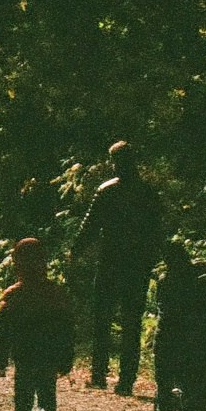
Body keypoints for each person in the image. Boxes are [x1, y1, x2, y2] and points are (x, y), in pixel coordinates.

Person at [75, 139, 167, 393]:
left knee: (102, 318)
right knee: (132, 322)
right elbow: (158, 231)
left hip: (110, 261)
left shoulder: (107, 191)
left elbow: (90, 226)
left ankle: (99, 374)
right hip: (137, 264)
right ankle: (126, 380)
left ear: (116, 162)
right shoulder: (147, 193)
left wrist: (76, 250)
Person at [0, 236, 75, 411]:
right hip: (47, 357)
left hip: (25, 358)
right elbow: (67, 329)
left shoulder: (13, 296)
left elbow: (3, 332)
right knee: (46, 400)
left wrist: (0, 359)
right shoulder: (55, 294)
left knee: (23, 402)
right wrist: (66, 357)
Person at [148, 240, 206, 411]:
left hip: (167, 334)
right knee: (191, 377)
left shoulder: (165, 280)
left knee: (164, 380)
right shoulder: (196, 279)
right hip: (190, 335)